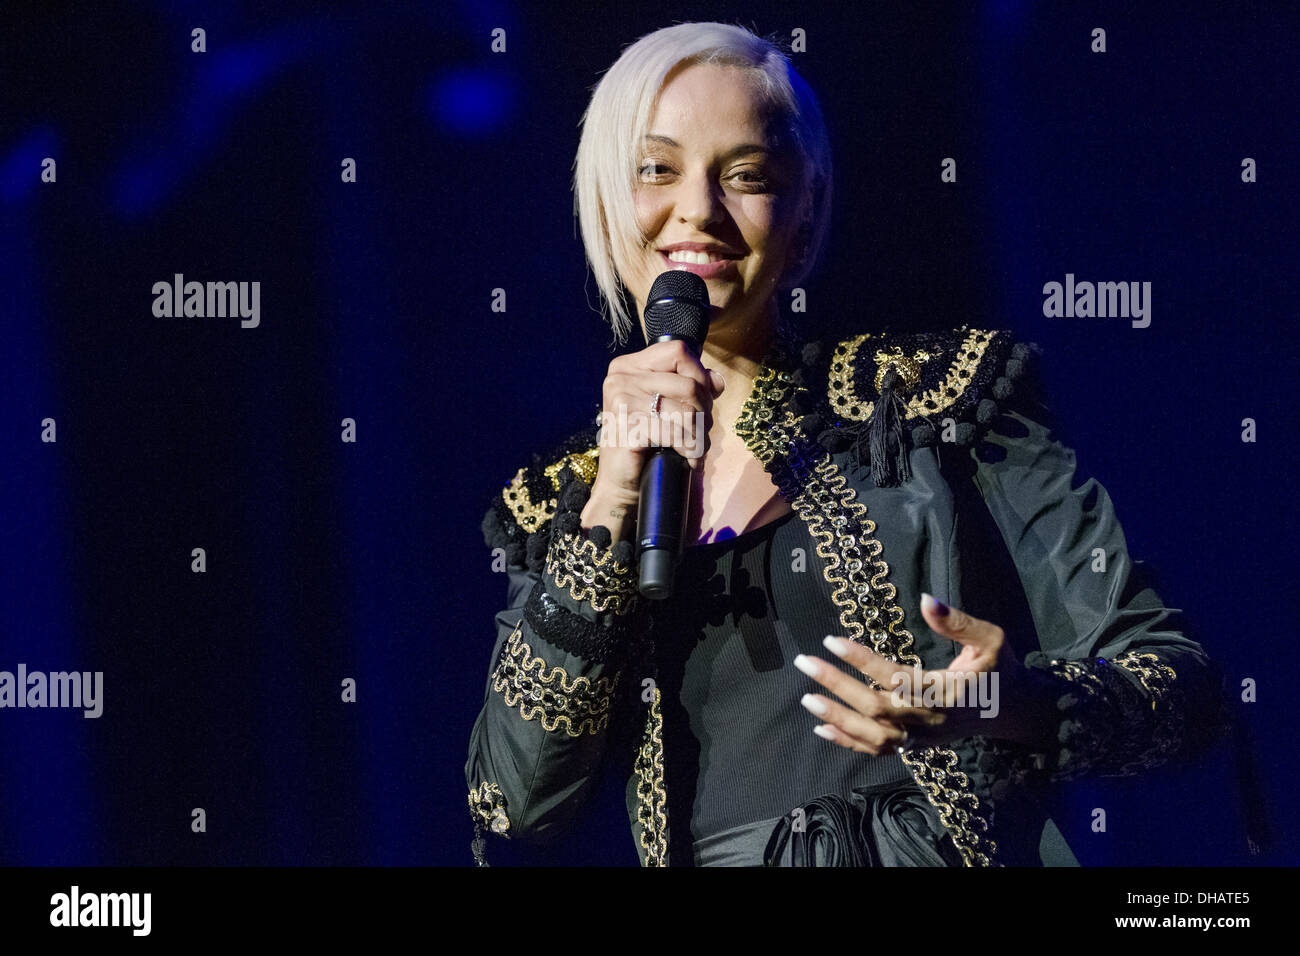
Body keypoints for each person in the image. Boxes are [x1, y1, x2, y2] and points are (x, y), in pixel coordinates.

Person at [467, 21, 1228, 867]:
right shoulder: (564, 502)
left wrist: (1006, 704)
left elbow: (1180, 690)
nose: (698, 211)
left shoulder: (938, 403)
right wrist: (611, 499)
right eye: (657, 169)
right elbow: (513, 801)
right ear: (607, 199)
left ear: (807, 210)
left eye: (747, 176)